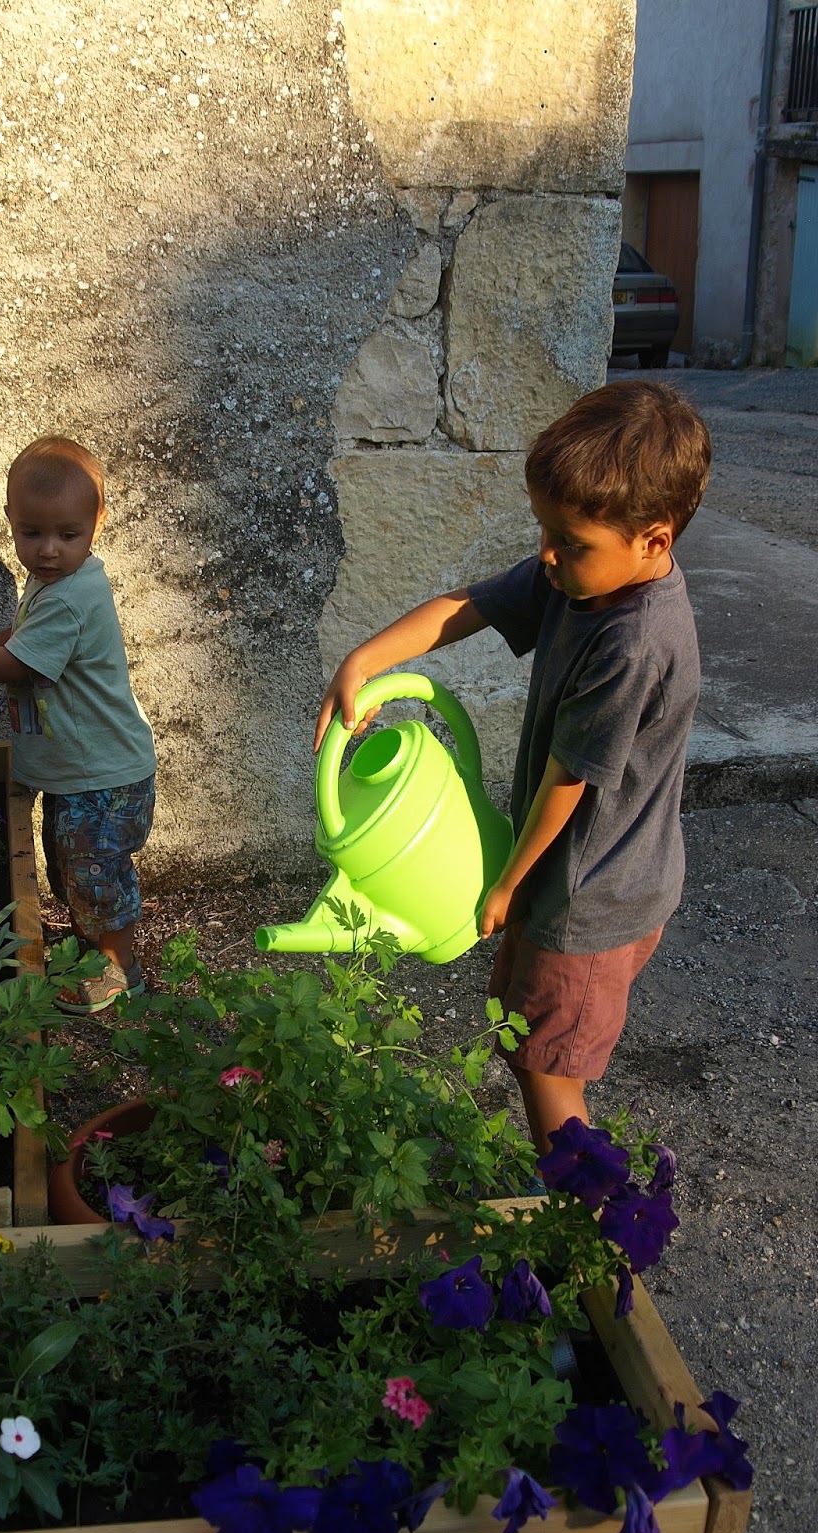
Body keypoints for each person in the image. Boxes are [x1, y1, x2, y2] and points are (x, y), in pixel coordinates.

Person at [315, 382, 711, 1151]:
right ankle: (558, 1177)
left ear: (654, 541)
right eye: (544, 530)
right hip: (566, 875)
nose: (547, 554)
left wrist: (509, 883)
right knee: (517, 1021)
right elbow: (468, 606)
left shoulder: (634, 642)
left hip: (594, 893)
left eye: (570, 541)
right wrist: (366, 658)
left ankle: (596, 1238)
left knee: (547, 1065)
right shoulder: (580, 581)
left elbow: (569, 779)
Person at [0, 436, 156, 1014]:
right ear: (11, 522)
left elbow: (19, 662)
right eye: (32, 534)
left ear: (97, 522)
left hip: (102, 776)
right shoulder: (54, 584)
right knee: (72, 865)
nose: (48, 550)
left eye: (67, 535)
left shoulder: (70, 597)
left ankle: (120, 971)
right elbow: (18, 640)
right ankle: (89, 950)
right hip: (80, 771)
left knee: (97, 872)